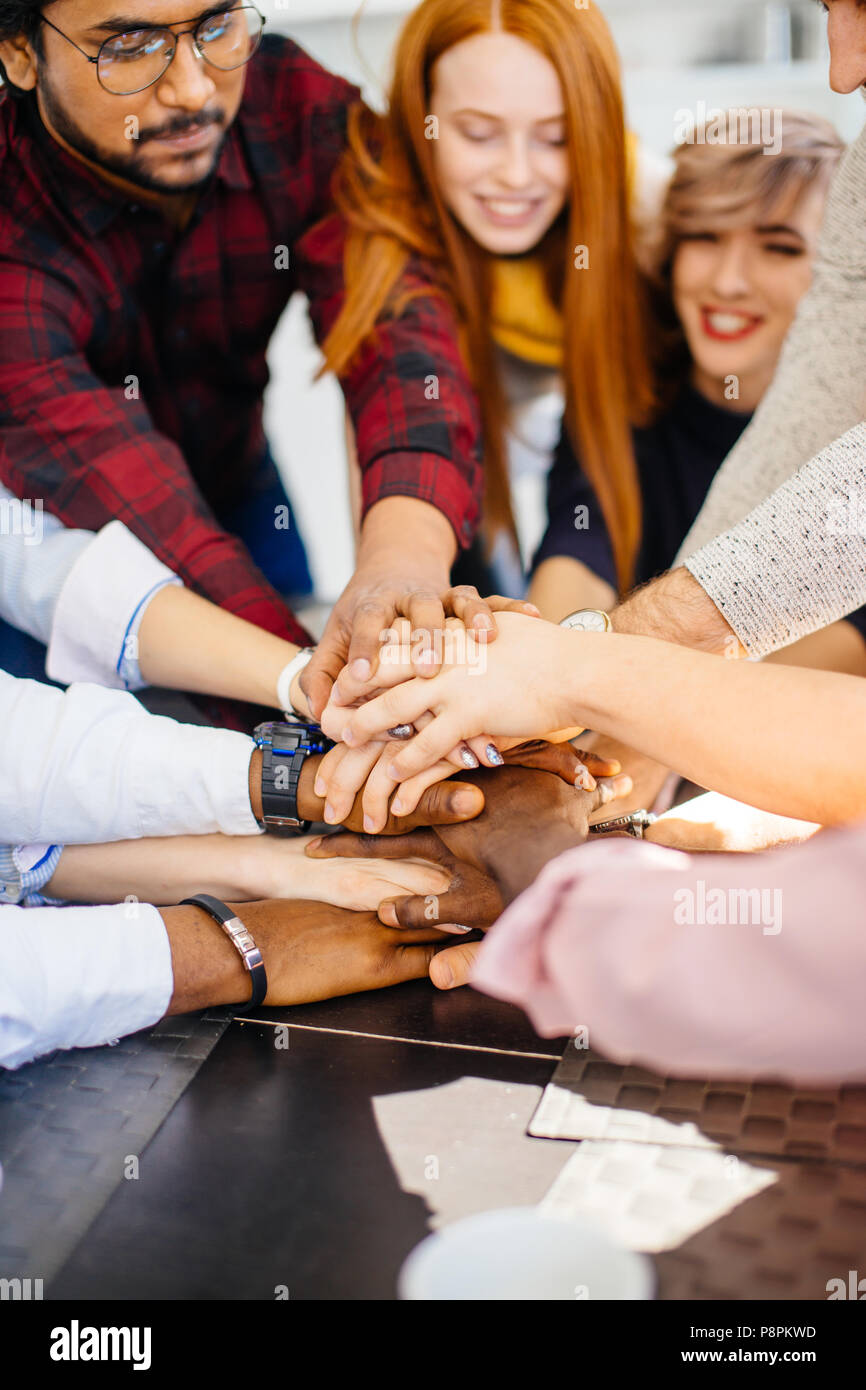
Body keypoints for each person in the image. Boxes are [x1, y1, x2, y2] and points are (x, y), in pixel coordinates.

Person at [0, 0, 517, 724]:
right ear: (20, 53)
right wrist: (329, 696)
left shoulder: (292, 107)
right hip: (62, 546)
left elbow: (398, 339)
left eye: (216, 28)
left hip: (244, 487)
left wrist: (400, 565)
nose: (193, 90)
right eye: (128, 47)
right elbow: (122, 488)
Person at [320, 0, 657, 599]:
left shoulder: (647, 215)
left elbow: (603, 465)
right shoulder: (385, 216)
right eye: (478, 134)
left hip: (591, 386)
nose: (516, 175)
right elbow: (391, 441)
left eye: (556, 139)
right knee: (465, 559)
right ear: (420, 121)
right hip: (461, 390)